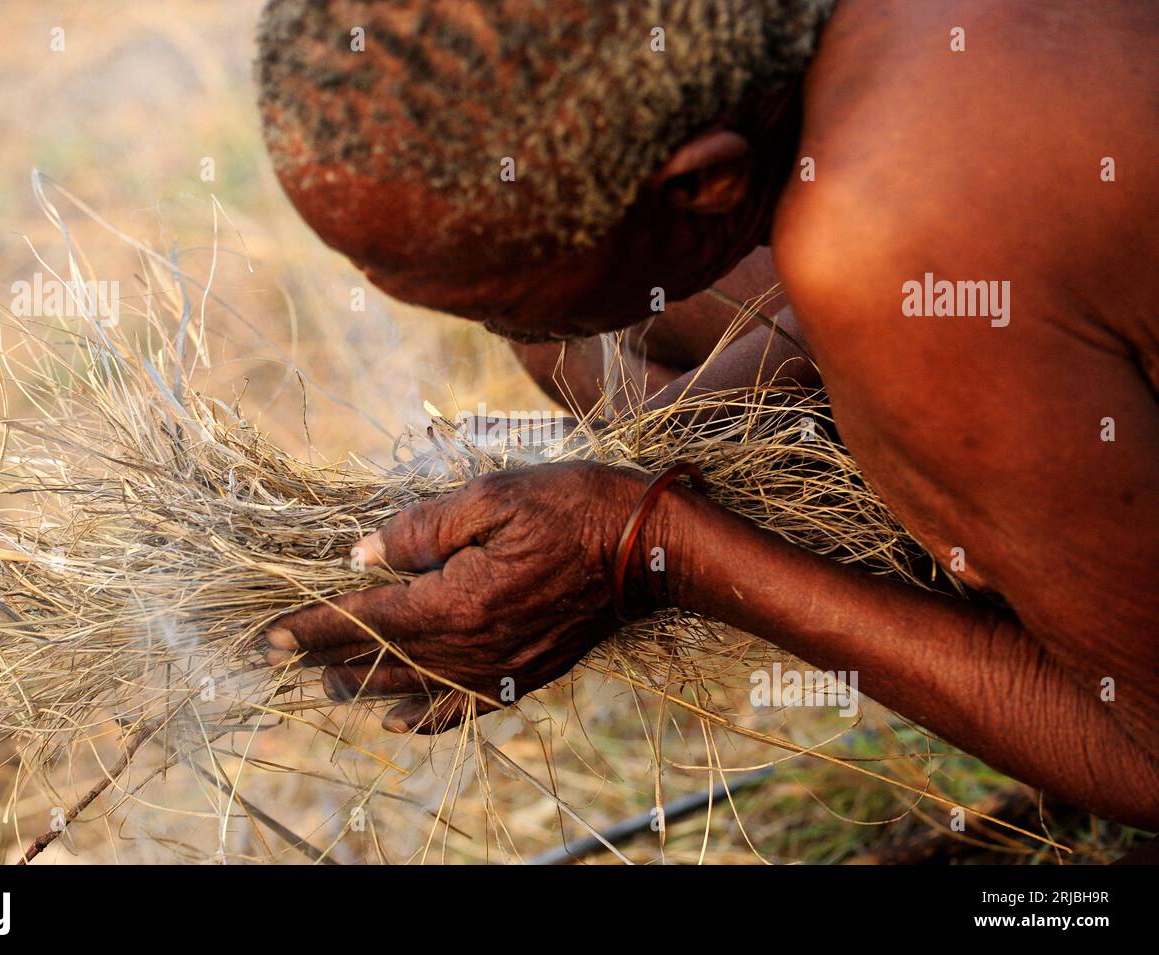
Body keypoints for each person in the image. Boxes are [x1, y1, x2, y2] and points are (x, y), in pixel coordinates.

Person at [255, 0, 1159, 829]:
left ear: (705, 184)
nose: (487, 330)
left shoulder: (884, 240)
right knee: (588, 352)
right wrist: (687, 427)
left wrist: (650, 541)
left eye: (497, 299)